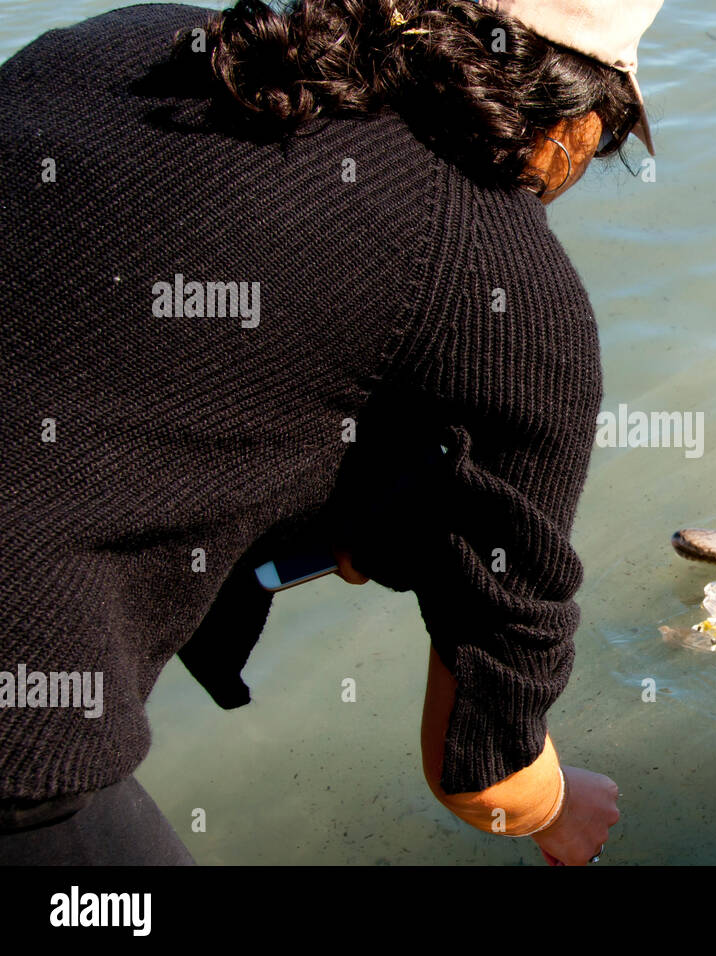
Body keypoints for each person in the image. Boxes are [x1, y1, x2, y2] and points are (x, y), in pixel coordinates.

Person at [0, 0, 663, 866]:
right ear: (577, 115)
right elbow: (483, 774)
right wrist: (556, 811)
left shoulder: (129, 44)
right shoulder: (506, 284)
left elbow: (123, 378)